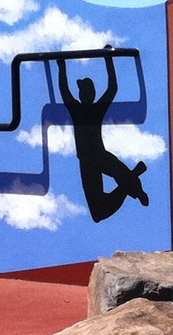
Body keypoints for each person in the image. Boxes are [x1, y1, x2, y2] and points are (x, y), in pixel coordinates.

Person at [57, 50, 150, 223]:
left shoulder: (94, 109)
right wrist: (61, 66)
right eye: (82, 92)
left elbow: (112, 89)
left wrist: (109, 59)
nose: (83, 94)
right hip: (88, 160)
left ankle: (135, 187)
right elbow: (64, 90)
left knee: (122, 176)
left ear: (90, 94)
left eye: (86, 91)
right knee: (98, 212)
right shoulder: (76, 109)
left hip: (98, 156)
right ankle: (133, 181)